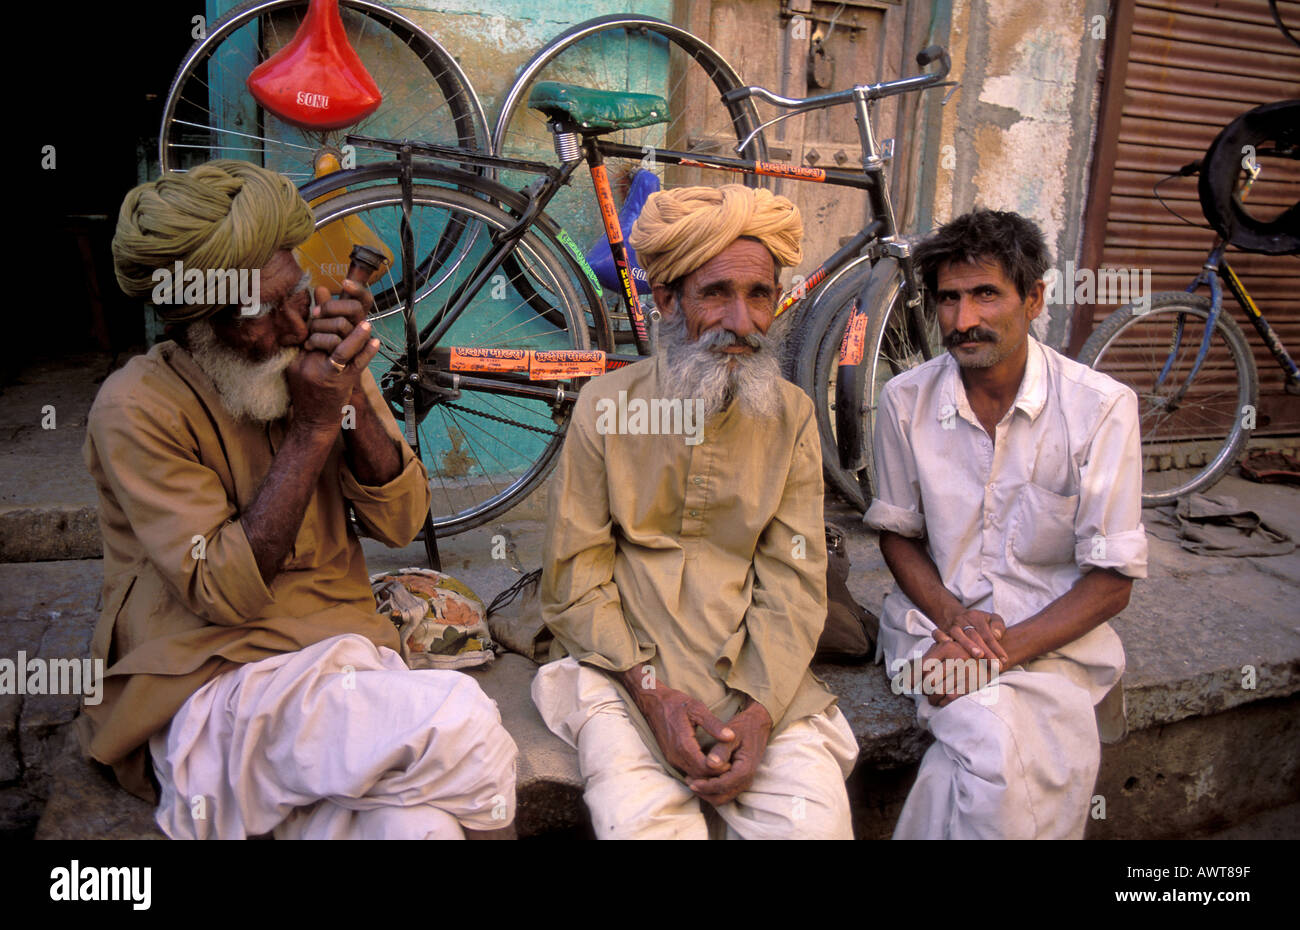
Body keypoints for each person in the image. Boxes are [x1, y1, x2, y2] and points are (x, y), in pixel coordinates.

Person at [80, 160, 517, 839]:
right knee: (466, 728)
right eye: (258, 312)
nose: (290, 324)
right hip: (213, 687)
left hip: (344, 661)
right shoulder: (135, 407)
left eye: (297, 292)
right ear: (188, 323)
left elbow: (402, 521)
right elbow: (225, 594)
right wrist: (315, 427)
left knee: (418, 829)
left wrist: (351, 405)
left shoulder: (316, 359)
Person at [531, 184, 858, 840]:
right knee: (642, 827)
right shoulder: (605, 407)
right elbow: (576, 581)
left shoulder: (791, 416)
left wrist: (762, 711)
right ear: (667, 302)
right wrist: (652, 692)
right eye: (715, 294)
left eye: (759, 295)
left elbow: (794, 580)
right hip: (623, 676)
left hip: (758, 678)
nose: (741, 322)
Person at [866, 208, 1147, 839]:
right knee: (997, 756)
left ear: (1035, 298)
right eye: (949, 300)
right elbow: (896, 533)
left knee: (978, 763)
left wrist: (990, 657)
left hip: (1053, 639)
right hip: (932, 630)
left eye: (986, 294)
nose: (964, 321)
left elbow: (1113, 581)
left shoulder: (1101, 409)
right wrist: (954, 619)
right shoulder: (905, 400)